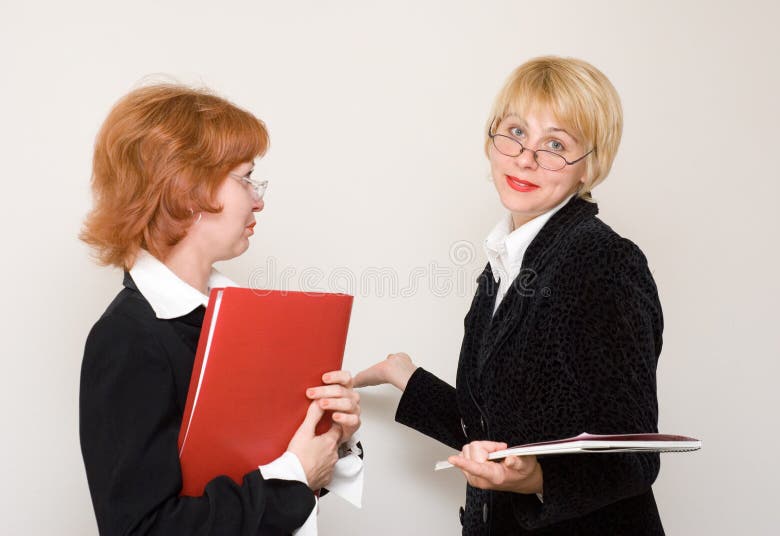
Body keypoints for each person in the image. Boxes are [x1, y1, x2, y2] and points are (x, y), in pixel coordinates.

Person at [355, 56, 664, 535]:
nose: (526, 157)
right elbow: (497, 428)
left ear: (589, 167)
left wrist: (536, 479)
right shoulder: (506, 260)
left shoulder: (605, 262)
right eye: (516, 132)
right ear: (491, 139)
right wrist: (407, 377)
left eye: (555, 144)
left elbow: (633, 456)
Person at [79, 84, 362, 536]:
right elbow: (141, 529)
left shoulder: (239, 317)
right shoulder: (126, 339)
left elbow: (255, 471)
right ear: (185, 187)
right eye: (246, 177)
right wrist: (294, 480)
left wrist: (330, 438)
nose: (259, 199)